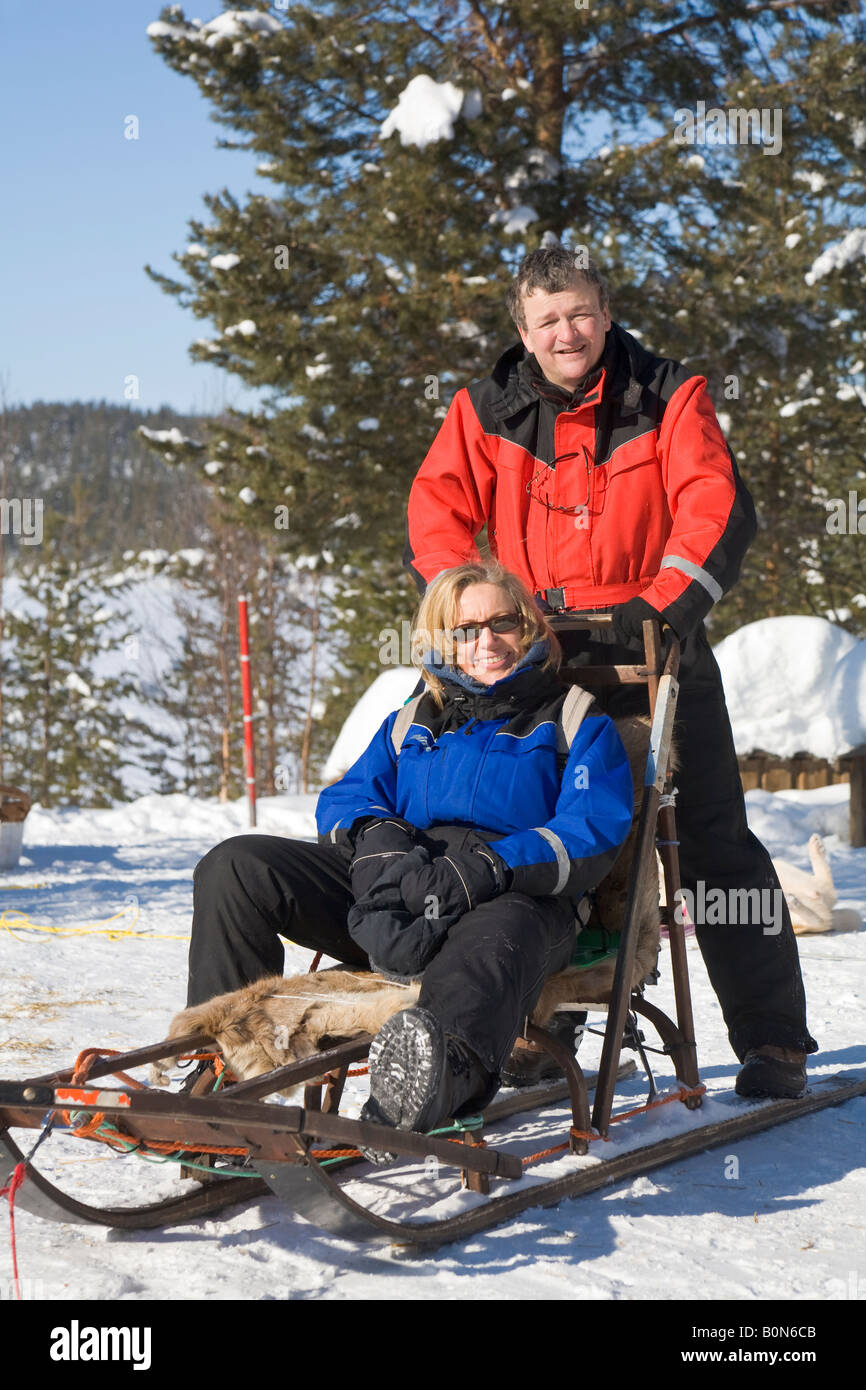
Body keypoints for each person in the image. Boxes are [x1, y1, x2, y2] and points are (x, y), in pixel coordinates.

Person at [404, 245, 817, 1099]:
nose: (568, 332)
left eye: (581, 313)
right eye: (548, 320)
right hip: (534, 655)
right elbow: (436, 513)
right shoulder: (483, 410)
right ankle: (536, 1015)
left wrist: (662, 607)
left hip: (655, 642)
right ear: (522, 331)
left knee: (707, 839)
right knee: (520, 823)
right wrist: (479, 609)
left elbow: (716, 506)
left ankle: (773, 1042)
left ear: (606, 311)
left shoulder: (668, 394)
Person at [186, 560, 635, 1140]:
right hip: (400, 894)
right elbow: (350, 794)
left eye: (501, 622)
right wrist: (375, 838)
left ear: (527, 626)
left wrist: (494, 865)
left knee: (495, 938)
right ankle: (224, 1072)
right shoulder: (415, 717)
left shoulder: (573, 717)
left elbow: (591, 828)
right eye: (465, 630)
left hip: (511, 903)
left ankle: (430, 1084)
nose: (486, 641)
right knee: (236, 866)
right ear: (443, 642)